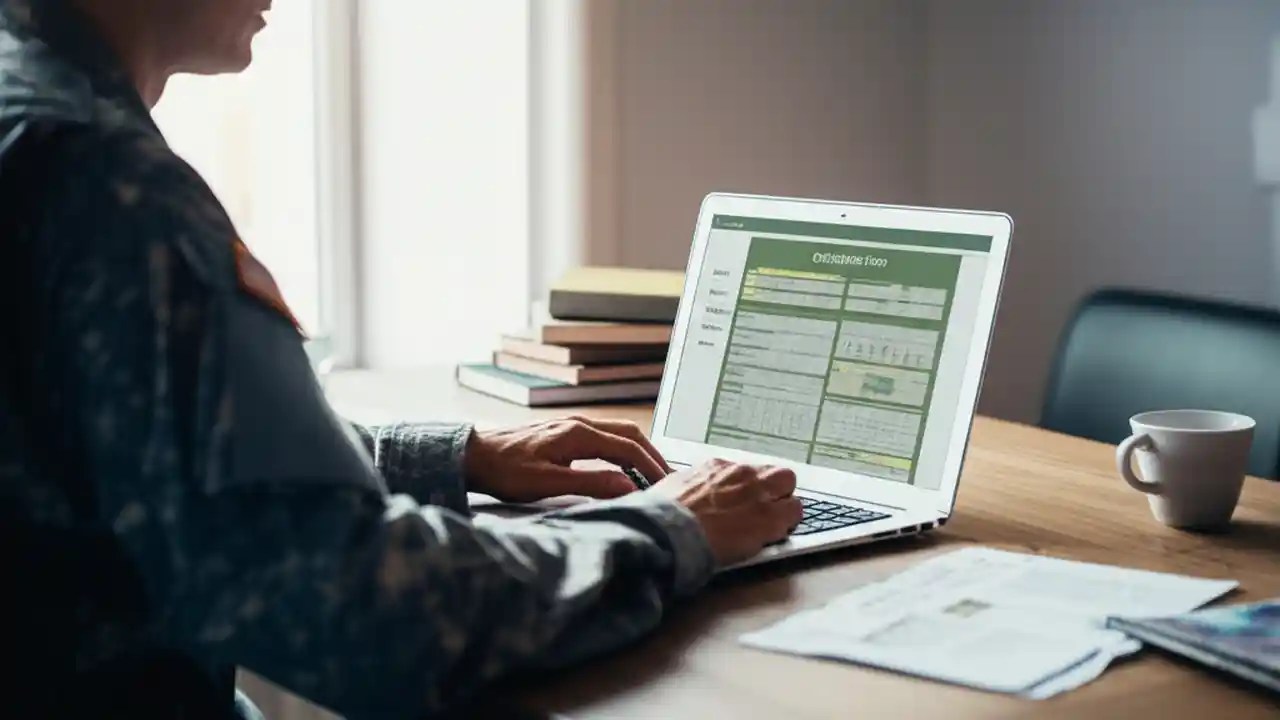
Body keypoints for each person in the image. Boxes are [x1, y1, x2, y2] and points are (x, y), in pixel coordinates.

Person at [0, 1, 803, 718]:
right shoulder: (108, 190)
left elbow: (140, 451)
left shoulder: (29, 115)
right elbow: (360, 611)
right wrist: (671, 530)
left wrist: (449, 457)